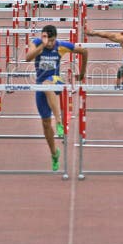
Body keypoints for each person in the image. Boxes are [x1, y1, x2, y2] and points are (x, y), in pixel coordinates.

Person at [25, 25, 88, 171]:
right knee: (46, 124)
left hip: (56, 81)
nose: (51, 44)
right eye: (49, 40)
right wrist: (42, 46)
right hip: (41, 87)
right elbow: (28, 58)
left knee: (48, 84)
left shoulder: (60, 46)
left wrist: (82, 73)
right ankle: (54, 154)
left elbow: (84, 51)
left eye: (53, 41)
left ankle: (59, 121)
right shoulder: (35, 43)